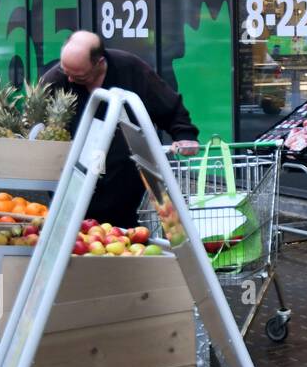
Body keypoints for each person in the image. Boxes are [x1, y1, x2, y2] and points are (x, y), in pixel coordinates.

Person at [41, 31, 199, 228]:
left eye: (80, 76)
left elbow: (167, 104)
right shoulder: (56, 80)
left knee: (124, 235)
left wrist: (184, 135)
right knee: (73, 232)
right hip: (73, 177)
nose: (71, 80)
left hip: (123, 179)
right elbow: (36, 123)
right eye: (67, 72)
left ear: (99, 63)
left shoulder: (130, 68)